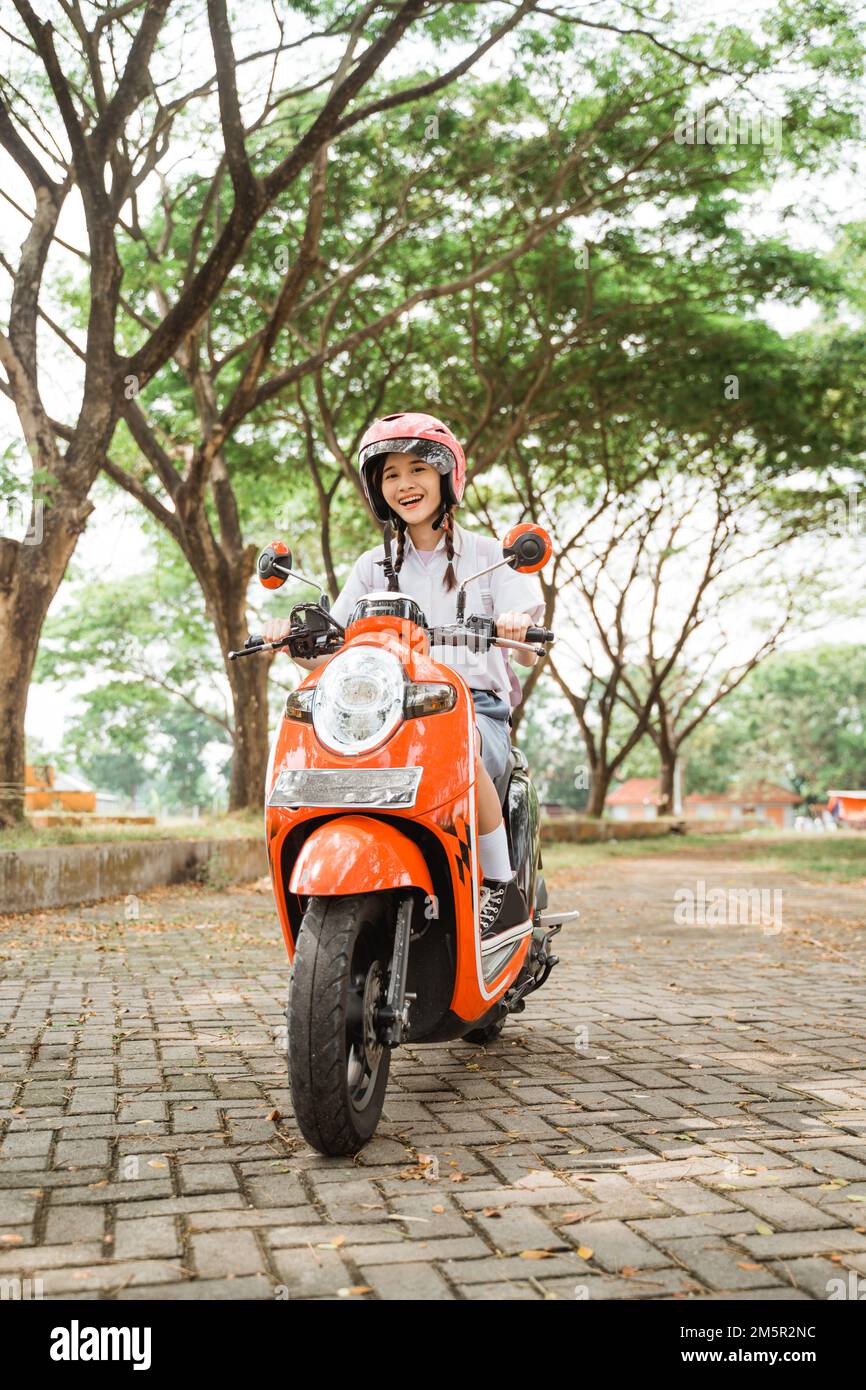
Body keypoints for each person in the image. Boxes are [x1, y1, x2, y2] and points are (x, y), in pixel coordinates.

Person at [261, 411, 546, 941]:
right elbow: (336, 650)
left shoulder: (490, 557)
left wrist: (516, 627)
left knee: (461, 745)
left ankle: (500, 889)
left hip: (471, 709)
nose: (405, 484)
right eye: (390, 474)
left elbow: (527, 650)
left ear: (447, 476)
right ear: (377, 487)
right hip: (387, 711)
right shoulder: (372, 566)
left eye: (418, 469)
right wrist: (295, 642)